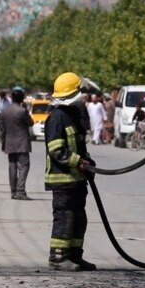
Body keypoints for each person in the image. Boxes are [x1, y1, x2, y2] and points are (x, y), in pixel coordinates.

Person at [44, 72, 96, 271]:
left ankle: (75, 256)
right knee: (65, 218)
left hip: (76, 179)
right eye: (80, 91)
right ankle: (58, 257)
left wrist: (87, 161)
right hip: (62, 179)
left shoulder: (72, 115)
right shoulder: (57, 117)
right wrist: (78, 162)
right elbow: (57, 150)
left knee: (78, 219)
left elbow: (78, 146)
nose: (83, 95)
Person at [0, 86, 34, 200]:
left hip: (9, 142)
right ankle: (20, 191)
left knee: (12, 167)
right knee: (24, 166)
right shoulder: (22, 111)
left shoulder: (5, 111)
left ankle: (13, 191)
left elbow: (2, 128)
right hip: (22, 143)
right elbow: (30, 123)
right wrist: (26, 110)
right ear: (22, 98)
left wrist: (3, 141)